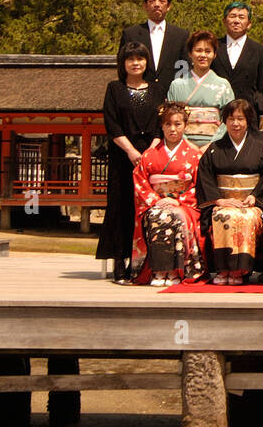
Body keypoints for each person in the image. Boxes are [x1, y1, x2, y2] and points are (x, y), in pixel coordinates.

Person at [96, 42, 162, 281]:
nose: (136, 63)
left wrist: (150, 151)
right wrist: (131, 151)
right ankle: (119, 259)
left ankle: (147, 261)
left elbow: (161, 125)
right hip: (122, 157)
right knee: (121, 207)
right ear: (123, 63)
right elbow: (112, 124)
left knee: (148, 207)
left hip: (150, 157)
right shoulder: (114, 89)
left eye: (140, 58)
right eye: (131, 59)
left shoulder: (157, 89)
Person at [195, 99, 263, 284]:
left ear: (248, 121)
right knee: (223, 216)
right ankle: (223, 269)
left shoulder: (261, 148)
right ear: (224, 121)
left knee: (244, 217)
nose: (235, 123)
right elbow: (205, 177)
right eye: (231, 119)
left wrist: (254, 196)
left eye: (240, 119)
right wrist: (219, 200)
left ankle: (240, 270)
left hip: (250, 204)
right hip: (223, 202)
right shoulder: (214, 149)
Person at [129, 102, 205, 286]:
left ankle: (175, 270)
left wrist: (179, 201)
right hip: (156, 203)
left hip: (183, 204)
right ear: (161, 126)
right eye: (168, 124)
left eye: (177, 124)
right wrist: (155, 200)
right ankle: (158, 270)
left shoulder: (194, 155)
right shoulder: (149, 155)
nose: (172, 129)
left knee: (175, 215)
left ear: (185, 126)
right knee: (158, 215)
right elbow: (140, 182)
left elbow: (199, 184)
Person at [167, 30, 235, 151]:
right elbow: (170, 118)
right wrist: (186, 143)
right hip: (182, 146)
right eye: (198, 50)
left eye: (208, 51)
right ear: (190, 53)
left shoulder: (223, 85)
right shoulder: (177, 85)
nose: (203, 55)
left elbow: (229, 119)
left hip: (216, 146)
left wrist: (212, 144)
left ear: (214, 54)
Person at [118, 0, 190, 92]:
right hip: (138, 92)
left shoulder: (181, 35)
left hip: (171, 95)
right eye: (152, 1)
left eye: (161, 1)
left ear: (169, 6)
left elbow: (185, 68)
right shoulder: (130, 34)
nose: (157, 4)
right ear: (145, 5)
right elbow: (122, 66)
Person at [211, 1, 263, 101]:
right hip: (217, 105)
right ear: (224, 21)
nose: (236, 21)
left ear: (249, 24)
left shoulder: (260, 51)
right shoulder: (213, 46)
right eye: (232, 16)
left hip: (247, 106)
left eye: (241, 17)